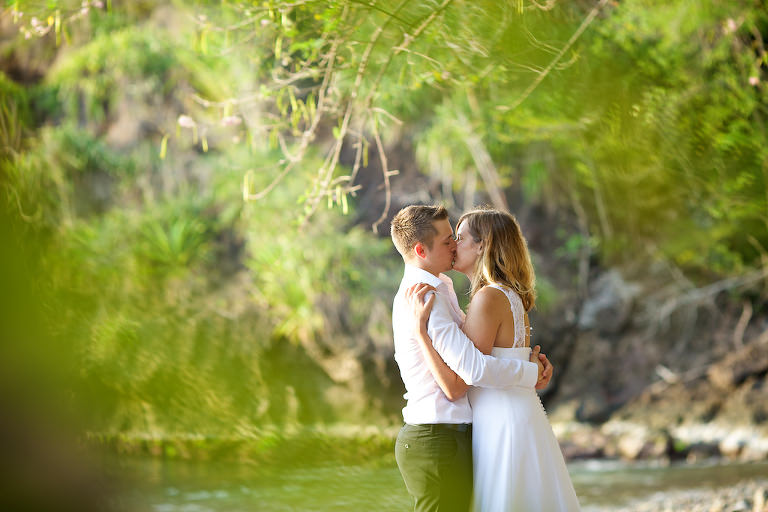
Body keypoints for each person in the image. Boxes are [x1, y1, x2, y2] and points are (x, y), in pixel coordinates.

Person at [407, 207, 581, 511]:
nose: (452, 245)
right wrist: (530, 367)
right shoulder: (510, 295)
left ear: (481, 245)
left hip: (502, 420)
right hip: (517, 413)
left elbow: (468, 374)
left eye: (459, 238)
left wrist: (420, 334)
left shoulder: (488, 297)